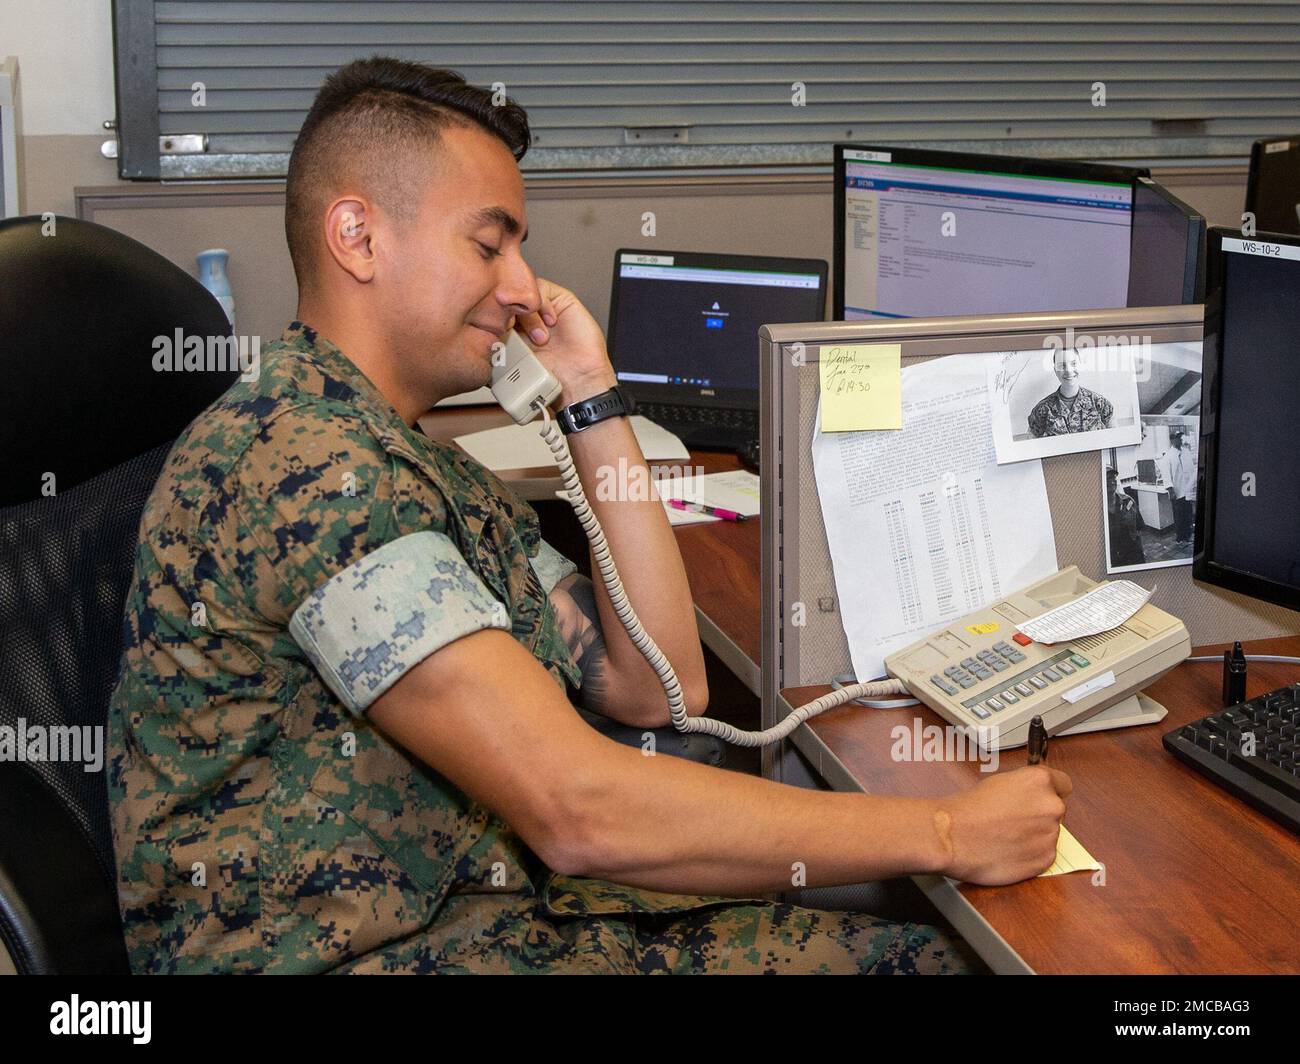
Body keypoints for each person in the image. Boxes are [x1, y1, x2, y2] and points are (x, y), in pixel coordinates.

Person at [107, 57, 1071, 975]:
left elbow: (658, 690)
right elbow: (578, 810)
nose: (525, 286)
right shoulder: (308, 469)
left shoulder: (404, 457)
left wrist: (590, 395)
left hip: (475, 908)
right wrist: (948, 833)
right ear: (357, 237)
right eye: (489, 244)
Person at [1027, 349, 1114, 437]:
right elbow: (1031, 446)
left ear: (1080, 365)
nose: (1068, 370)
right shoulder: (1042, 409)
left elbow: (1115, 440)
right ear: (1055, 370)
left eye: (1073, 364)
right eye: (1061, 366)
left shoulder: (1100, 403)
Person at [1106, 466, 1146, 568]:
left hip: (1135, 556)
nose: (1111, 482)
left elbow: (1139, 527)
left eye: (1113, 478)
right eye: (1106, 479)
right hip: (1116, 561)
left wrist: (1140, 550)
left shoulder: (1128, 501)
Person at [1168, 431, 1198, 547]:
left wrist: (1192, 485)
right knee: (1179, 515)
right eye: (1177, 438)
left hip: (1188, 489)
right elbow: (1167, 474)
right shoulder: (1169, 455)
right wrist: (1171, 490)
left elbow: (1190, 468)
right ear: (1172, 440)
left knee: (1188, 513)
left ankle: (1188, 535)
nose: (1180, 440)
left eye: (1180, 438)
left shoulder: (1186, 452)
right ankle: (1180, 538)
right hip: (1177, 490)